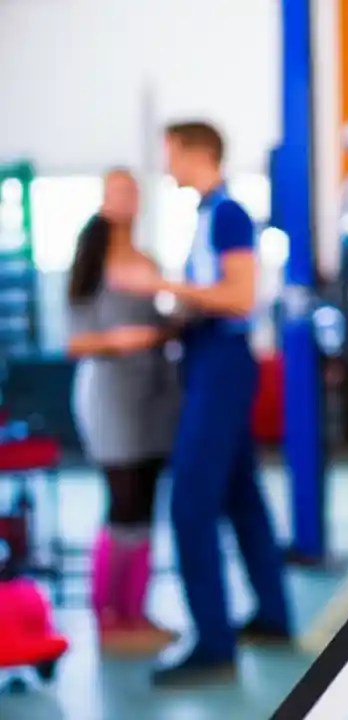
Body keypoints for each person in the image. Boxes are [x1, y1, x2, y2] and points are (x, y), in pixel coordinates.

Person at [110, 121, 292, 686]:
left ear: (196, 153)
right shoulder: (209, 215)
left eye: (170, 156)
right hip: (207, 356)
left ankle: (212, 643)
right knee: (242, 497)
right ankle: (273, 615)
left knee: (189, 503)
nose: (166, 169)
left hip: (223, 363)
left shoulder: (230, 214)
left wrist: (160, 286)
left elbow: (238, 296)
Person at [66, 169, 179, 656]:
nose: (127, 200)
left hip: (153, 393)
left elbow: (165, 324)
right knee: (122, 504)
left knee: (146, 507)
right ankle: (107, 613)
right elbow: (75, 341)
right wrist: (122, 340)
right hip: (109, 396)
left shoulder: (149, 262)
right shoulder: (89, 262)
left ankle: (135, 611)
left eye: (133, 191)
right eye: (117, 192)